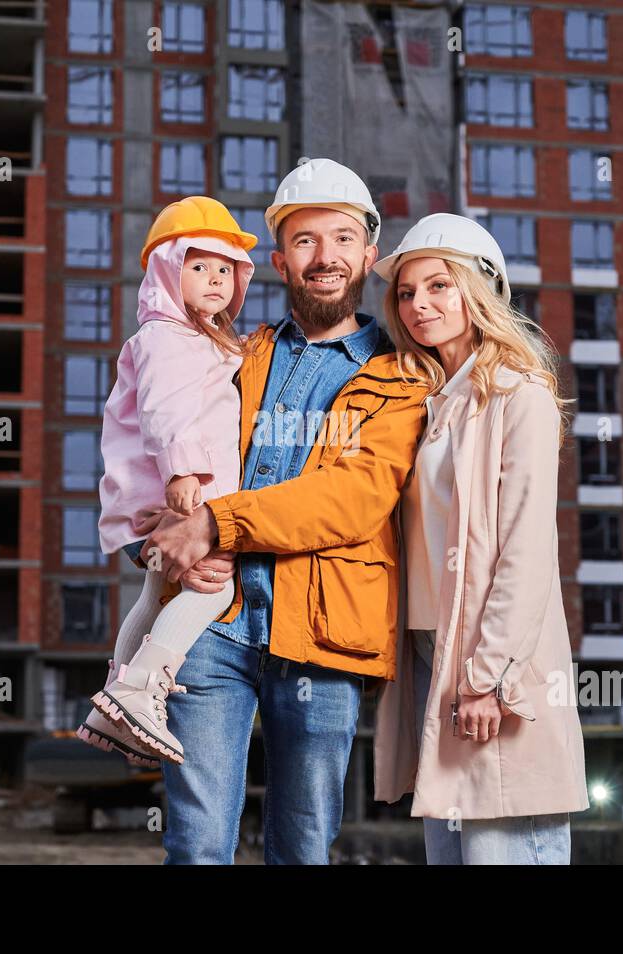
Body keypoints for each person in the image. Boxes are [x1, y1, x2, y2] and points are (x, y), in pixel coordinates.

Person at [141, 158, 429, 864]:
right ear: (276, 261)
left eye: (340, 239)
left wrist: (214, 524)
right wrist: (152, 539)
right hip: (214, 622)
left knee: (302, 845)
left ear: (368, 255)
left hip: (323, 637)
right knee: (197, 843)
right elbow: (162, 440)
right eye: (305, 241)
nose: (324, 257)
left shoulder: (402, 375)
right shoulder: (234, 354)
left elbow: (354, 499)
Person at [371, 213, 590, 864]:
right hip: (428, 653)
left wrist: (486, 678)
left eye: (439, 285)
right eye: (407, 293)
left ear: (480, 289)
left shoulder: (518, 397)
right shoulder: (429, 401)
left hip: (489, 663)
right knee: (451, 853)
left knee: (503, 847)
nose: (419, 305)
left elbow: (524, 552)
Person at [76, 196, 255, 767]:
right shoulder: (166, 337)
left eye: (225, 269)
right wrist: (183, 472)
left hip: (166, 497)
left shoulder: (193, 337)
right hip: (176, 496)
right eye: (199, 267)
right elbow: (164, 409)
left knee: (156, 595)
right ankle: (140, 687)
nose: (215, 279)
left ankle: (111, 703)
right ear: (166, 272)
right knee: (213, 587)